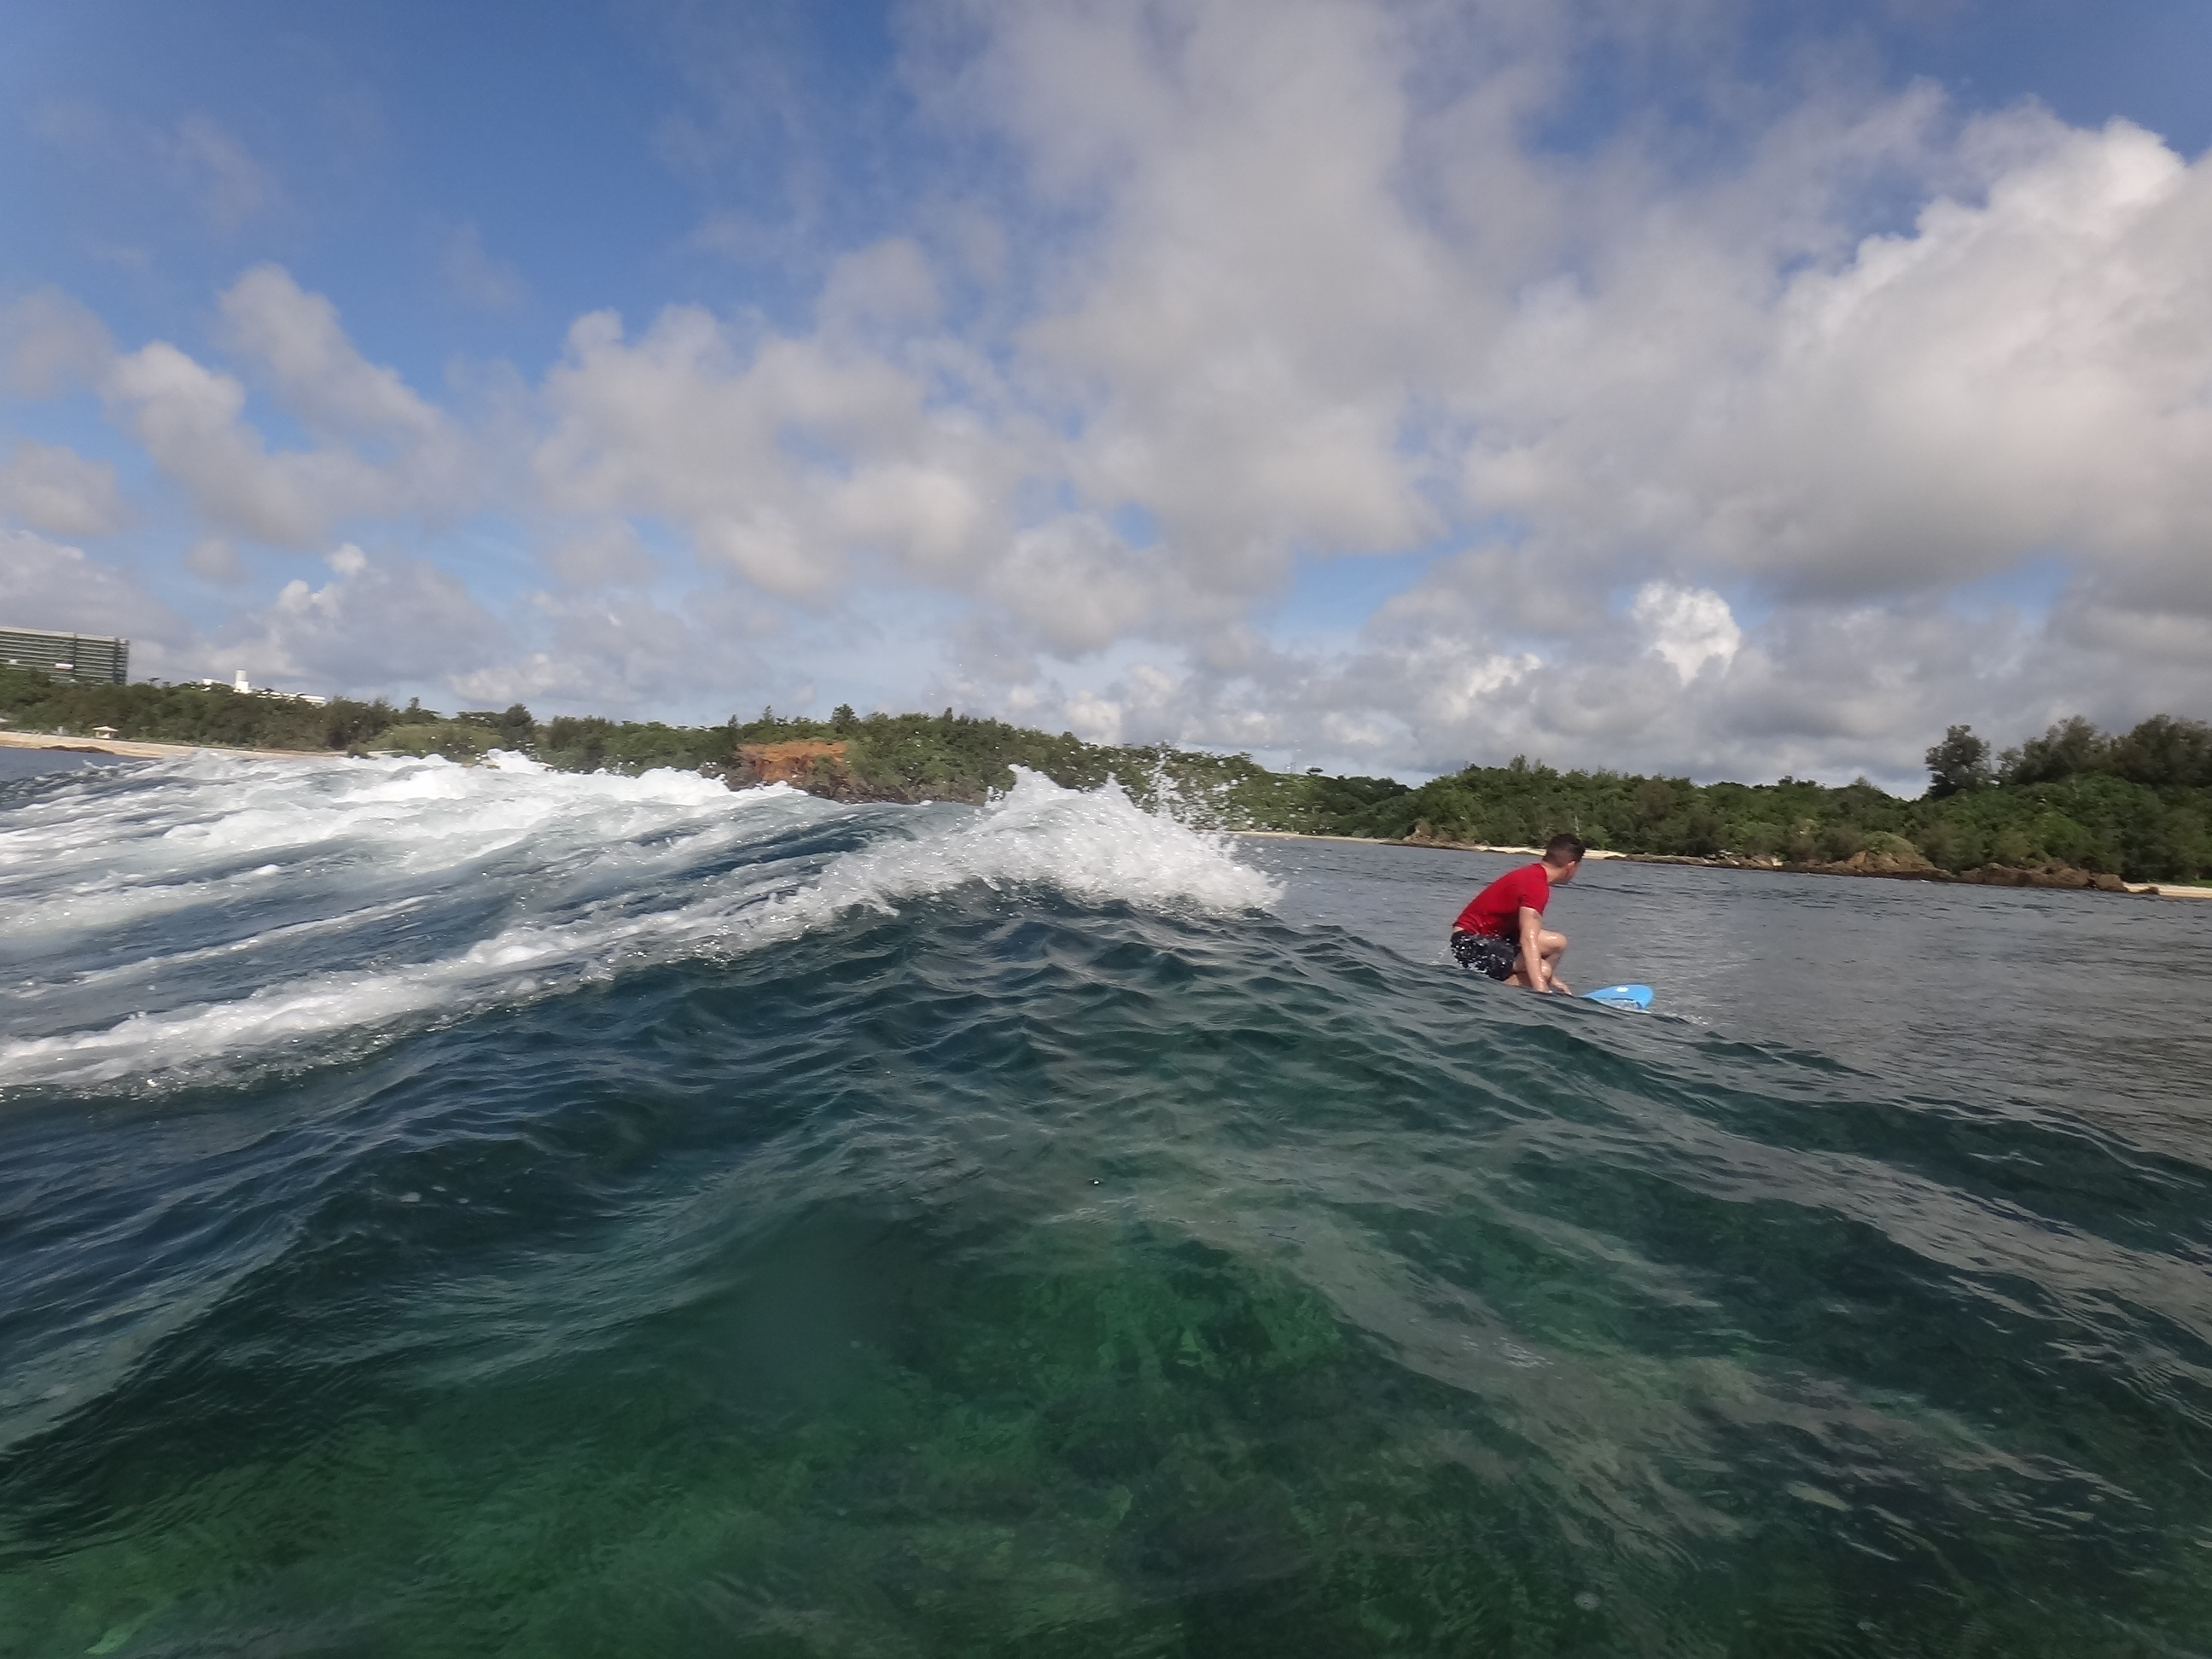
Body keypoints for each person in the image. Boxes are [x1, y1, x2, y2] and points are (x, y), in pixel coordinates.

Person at [1449, 835, 1585, 992]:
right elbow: (1528, 939)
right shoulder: (1537, 887)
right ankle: (1499, 996)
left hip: (1486, 938)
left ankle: (1524, 984)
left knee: (1558, 943)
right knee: (1543, 970)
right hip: (1469, 942)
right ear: (1571, 866)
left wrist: (1554, 982)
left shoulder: (1532, 874)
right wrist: (1543, 991)